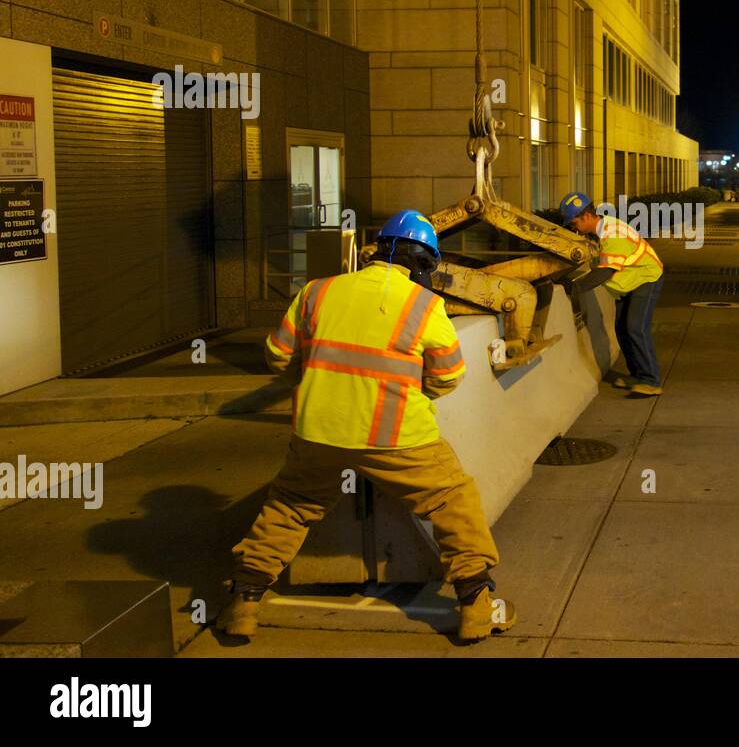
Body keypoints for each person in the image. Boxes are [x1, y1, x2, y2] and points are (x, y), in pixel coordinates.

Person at [215, 209, 516, 642]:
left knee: (290, 506)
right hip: (397, 437)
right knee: (452, 500)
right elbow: (449, 375)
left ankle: (242, 604)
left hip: (318, 431)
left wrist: (321, 382)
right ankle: (475, 606)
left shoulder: (316, 292)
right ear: (425, 263)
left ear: (377, 251)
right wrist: (414, 390)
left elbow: (278, 356)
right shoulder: (425, 305)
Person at [560, 191, 664, 397]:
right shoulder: (604, 229)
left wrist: (573, 287)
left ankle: (651, 380)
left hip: (646, 277)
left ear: (587, 217)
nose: (575, 229)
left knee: (635, 328)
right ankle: (638, 376)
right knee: (621, 328)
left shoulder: (611, 234)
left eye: (574, 224)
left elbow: (605, 272)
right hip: (631, 281)